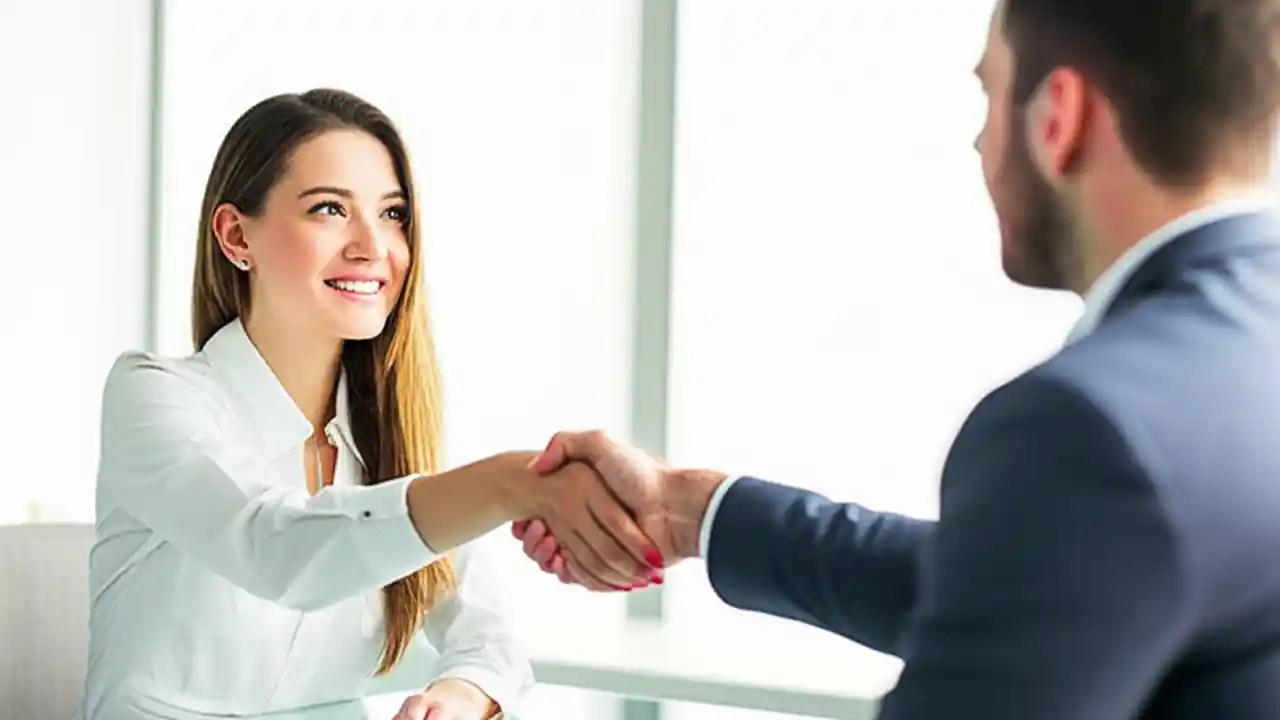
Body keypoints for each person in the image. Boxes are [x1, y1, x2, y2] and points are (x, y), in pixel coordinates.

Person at [513, 0, 1280, 716]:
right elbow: (1042, 585)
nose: (979, 142)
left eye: (989, 96)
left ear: (1059, 118)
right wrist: (694, 511)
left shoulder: (1087, 428)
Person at [78, 88, 664, 720]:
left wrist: (462, 695)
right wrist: (509, 484)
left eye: (392, 214)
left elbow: (490, 635)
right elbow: (279, 550)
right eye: (329, 209)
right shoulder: (154, 395)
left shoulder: (384, 435)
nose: (373, 245)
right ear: (236, 235)